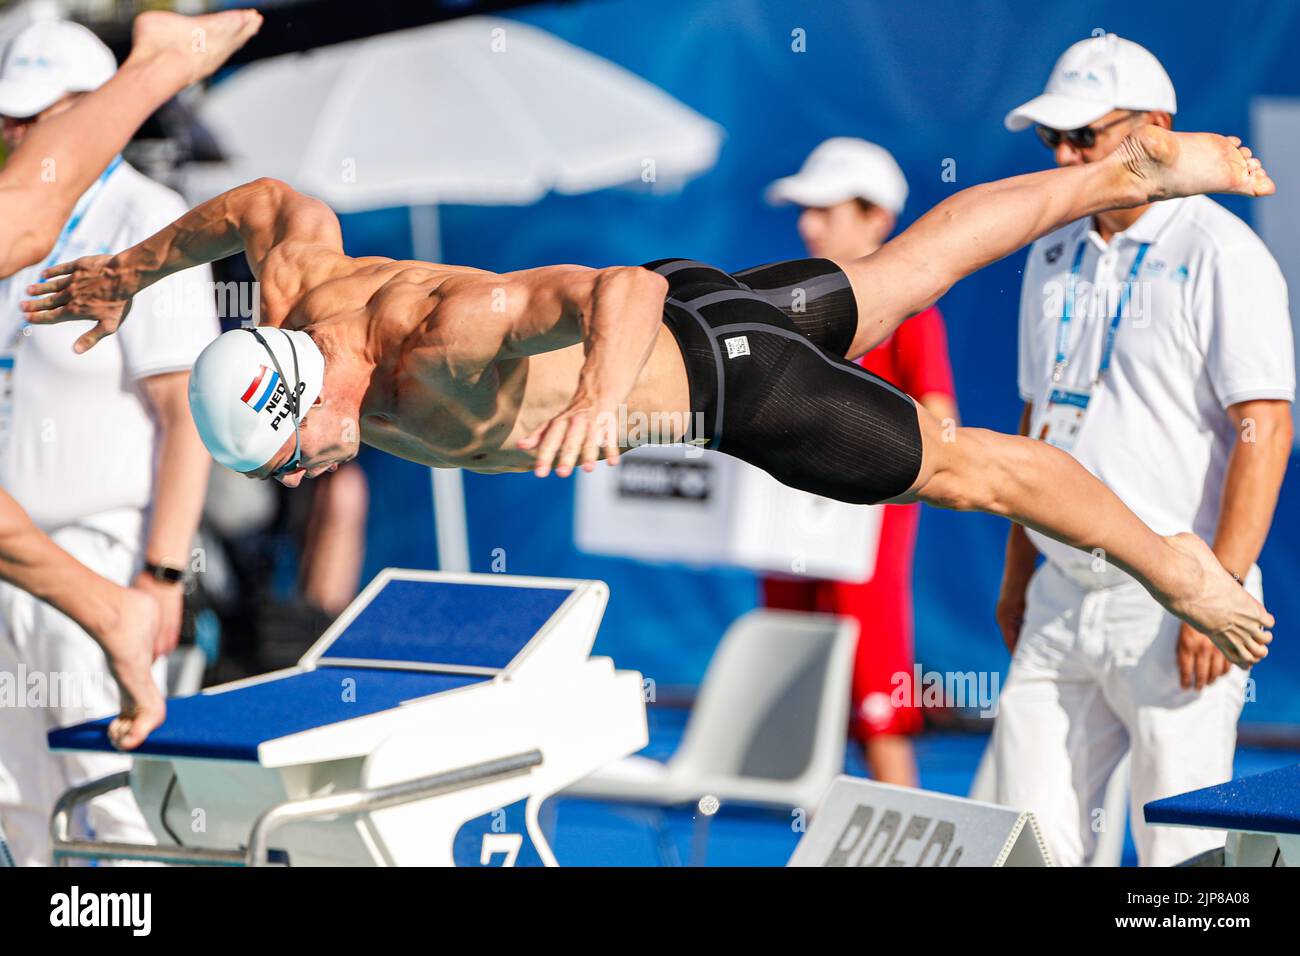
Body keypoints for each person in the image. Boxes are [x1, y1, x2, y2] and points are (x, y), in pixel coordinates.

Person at [26, 126, 1277, 676]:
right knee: (905, 271)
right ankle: (1126, 171)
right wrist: (129, 273)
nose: (303, 478)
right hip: (704, 310)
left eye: (295, 455)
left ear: (310, 387)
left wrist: (601, 404)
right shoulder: (301, 289)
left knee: (967, 466)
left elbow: (618, 285)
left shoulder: (444, 338)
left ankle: (1170, 562)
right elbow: (264, 205)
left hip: (718, 383)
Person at [989, 35, 1294, 866]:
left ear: (1156, 127)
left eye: (1085, 136)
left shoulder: (1223, 251)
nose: (1064, 155)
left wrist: (1218, 586)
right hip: (1061, 590)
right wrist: (1019, 578)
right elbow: (1035, 420)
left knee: (1180, 861)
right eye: (1052, 138)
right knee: (1027, 841)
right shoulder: (1051, 248)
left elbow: (1265, 428)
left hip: (1172, 592)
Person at [0, 8, 260, 754]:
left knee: (112, 800)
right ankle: (162, 64)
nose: (18, 137)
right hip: (21, 559)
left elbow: (188, 414)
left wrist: (159, 576)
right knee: (18, 807)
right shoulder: (26, 219)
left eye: (34, 118)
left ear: (85, 112)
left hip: (100, 549)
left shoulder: (147, 218)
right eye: (7, 119)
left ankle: (161, 64)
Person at [759, 138, 957, 786]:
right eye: (804, 209)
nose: (806, 223)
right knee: (797, 721)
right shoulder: (788, 308)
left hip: (866, 541)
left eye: (824, 208)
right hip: (787, 530)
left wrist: (859, 447)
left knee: (879, 718)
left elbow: (939, 425)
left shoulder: (910, 307)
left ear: (876, 216)